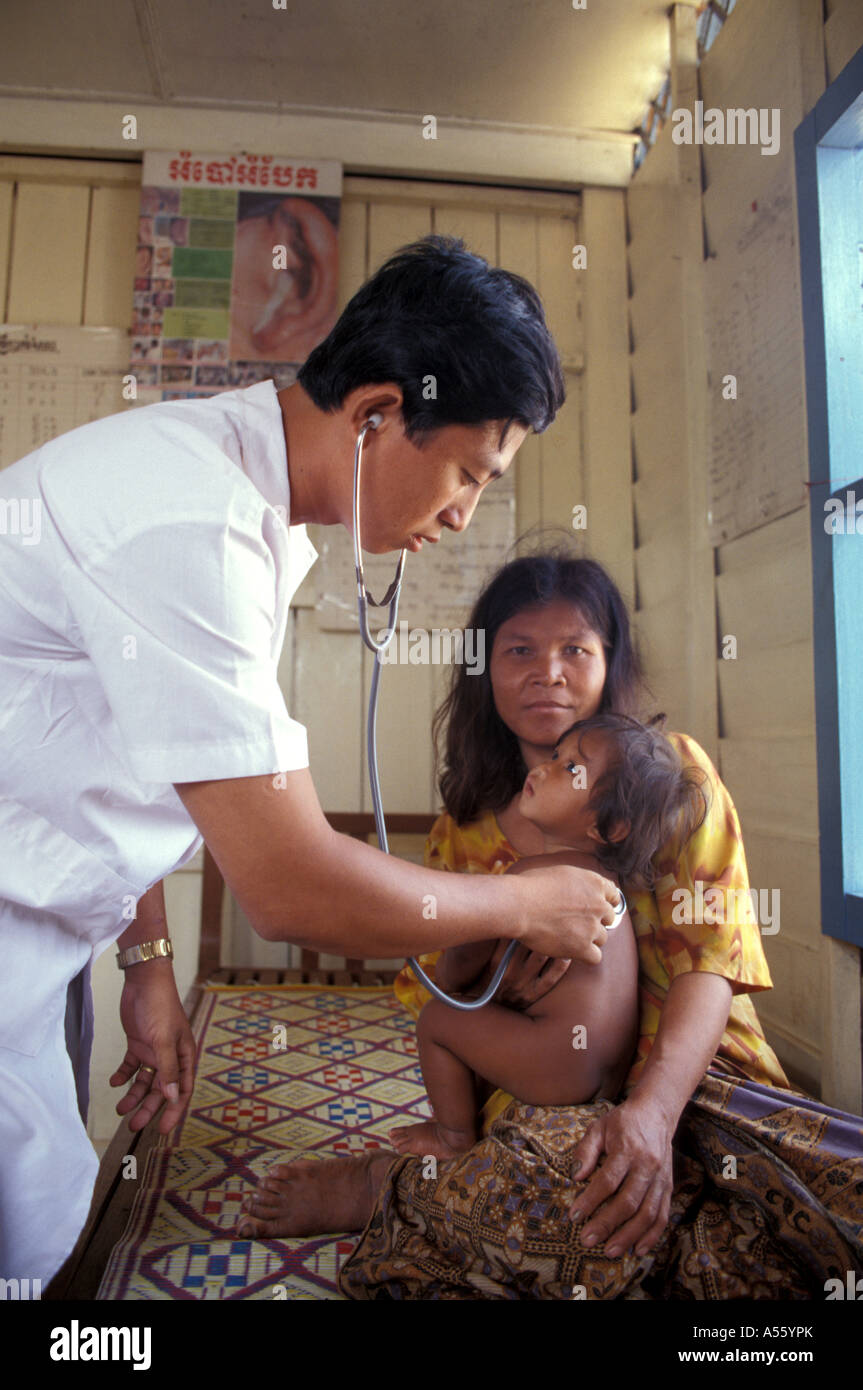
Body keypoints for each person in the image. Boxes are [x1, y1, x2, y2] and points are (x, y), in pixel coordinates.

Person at [0, 239, 624, 1288]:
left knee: (36, 1223)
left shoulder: (244, 504)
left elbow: (140, 743)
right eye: (468, 472)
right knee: (30, 1245)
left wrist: (147, 961)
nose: (466, 512)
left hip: (41, 917)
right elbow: (286, 887)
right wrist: (527, 906)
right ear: (380, 412)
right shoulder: (191, 522)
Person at [239, 551, 863, 1301]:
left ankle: (456, 1189)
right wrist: (500, 940)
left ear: (609, 664)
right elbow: (437, 997)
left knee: (832, 1210)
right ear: (486, 671)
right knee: (573, 1221)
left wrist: (651, 1117)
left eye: (576, 649)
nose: (548, 672)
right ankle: (391, 1185)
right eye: (519, 651)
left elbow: (710, 961)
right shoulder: (464, 831)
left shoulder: (674, 783)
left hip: (696, 1079)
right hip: (545, 1105)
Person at [390, 714, 707, 1159]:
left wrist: (456, 960)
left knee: (438, 1021)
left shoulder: (529, 878)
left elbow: (456, 971)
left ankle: (453, 1137)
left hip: (555, 1063)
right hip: (607, 1076)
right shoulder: (613, 887)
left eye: (572, 768)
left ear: (608, 827)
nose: (543, 768)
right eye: (557, 756)